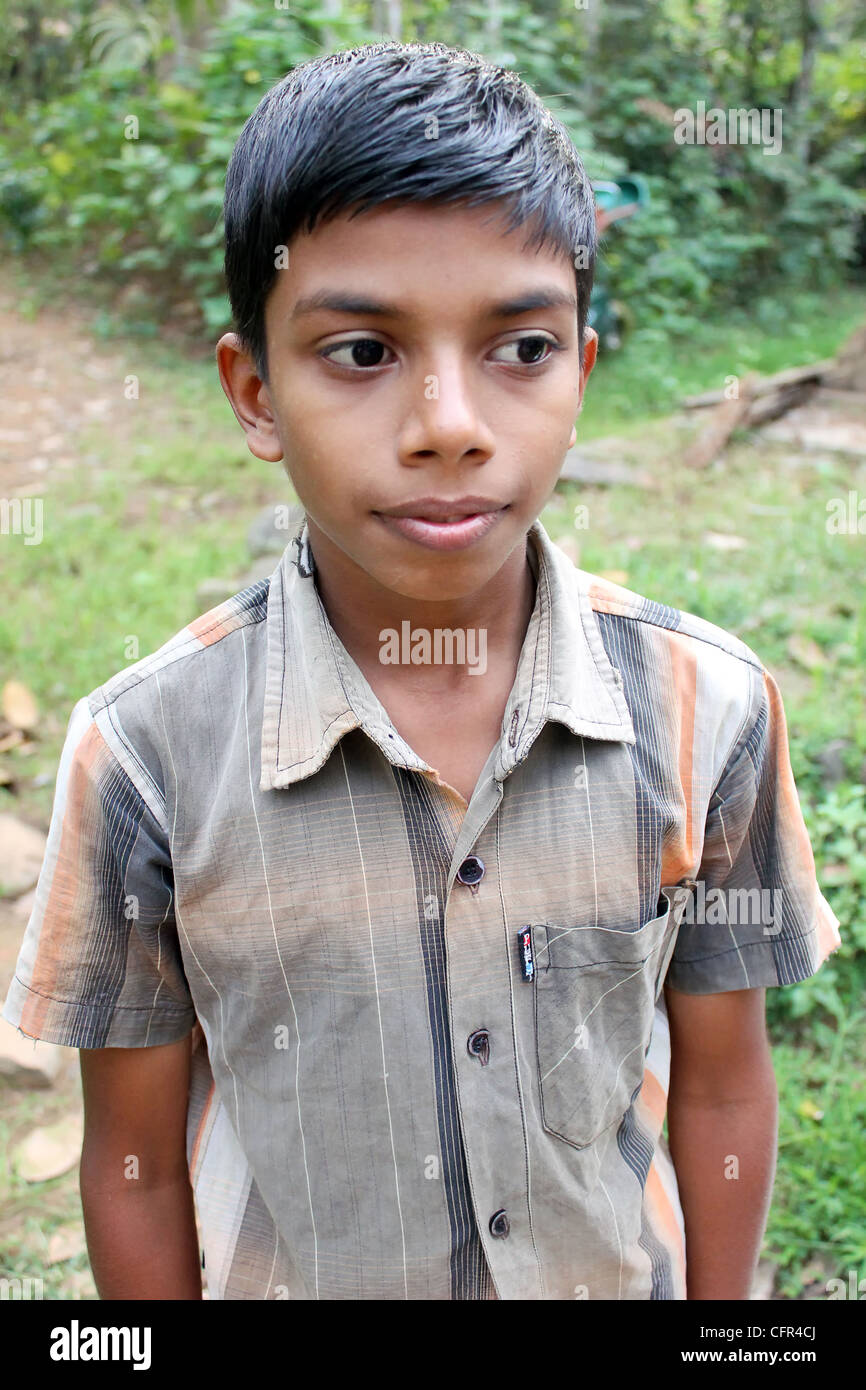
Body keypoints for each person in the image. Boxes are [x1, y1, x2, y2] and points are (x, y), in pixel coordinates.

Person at [2, 40, 841, 1301]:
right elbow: (135, 1162)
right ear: (254, 392)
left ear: (580, 374)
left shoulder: (704, 709)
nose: (449, 422)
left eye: (518, 350)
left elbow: (722, 1084)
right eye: (359, 351)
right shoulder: (144, 756)